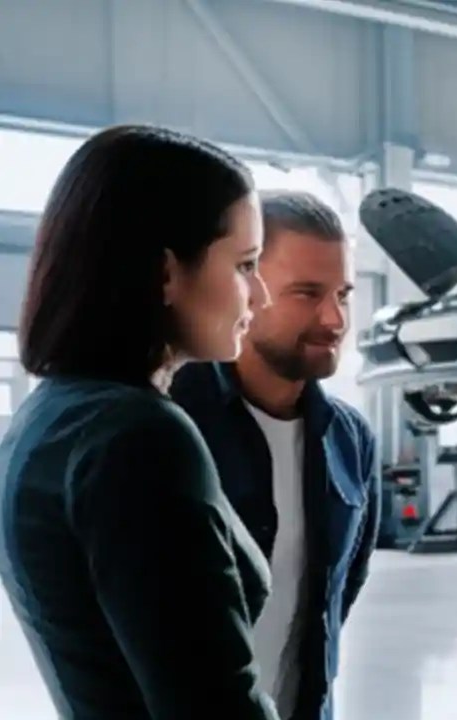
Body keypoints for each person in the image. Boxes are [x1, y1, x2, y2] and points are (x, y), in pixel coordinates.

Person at [0, 125, 278, 718]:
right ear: (165, 273)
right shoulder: (140, 438)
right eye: (245, 265)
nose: (261, 296)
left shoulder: (47, 417)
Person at [168, 189, 380, 720]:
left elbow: (337, 598)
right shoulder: (169, 421)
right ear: (246, 286)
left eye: (344, 294)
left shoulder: (351, 439)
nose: (335, 319)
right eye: (307, 293)